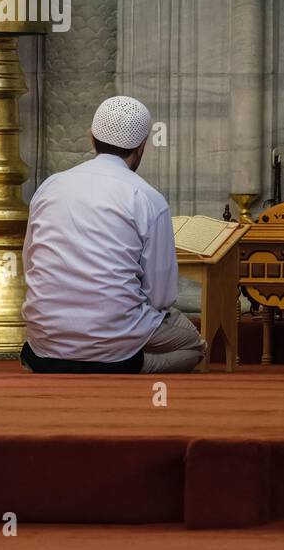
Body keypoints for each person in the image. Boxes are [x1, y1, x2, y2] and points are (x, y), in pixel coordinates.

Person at [20, 95, 206, 374]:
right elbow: (161, 296)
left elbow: (30, 265)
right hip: (117, 339)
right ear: (143, 146)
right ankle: (130, 363)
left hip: (45, 342)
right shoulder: (147, 197)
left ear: (91, 138)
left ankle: (82, 358)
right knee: (194, 347)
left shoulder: (50, 187)